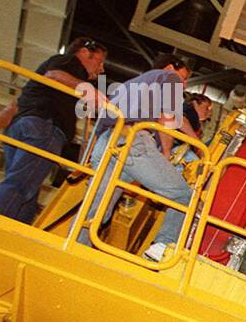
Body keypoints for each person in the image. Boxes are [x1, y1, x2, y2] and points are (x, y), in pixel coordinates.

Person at [79, 54, 195, 262]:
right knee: (183, 196)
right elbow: (167, 116)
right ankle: (159, 251)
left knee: (97, 209)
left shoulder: (132, 84)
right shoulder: (168, 78)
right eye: (184, 78)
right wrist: (166, 154)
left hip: (109, 141)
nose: (184, 84)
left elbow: (178, 118)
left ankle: (74, 247)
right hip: (134, 140)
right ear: (170, 67)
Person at [0, 38, 109, 223]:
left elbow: (14, 106)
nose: (101, 69)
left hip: (19, 128)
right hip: (45, 128)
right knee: (22, 185)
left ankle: (16, 231)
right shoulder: (69, 63)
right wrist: (91, 92)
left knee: (25, 187)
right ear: (84, 52)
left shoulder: (40, 86)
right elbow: (54, 75)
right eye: (100, 62)